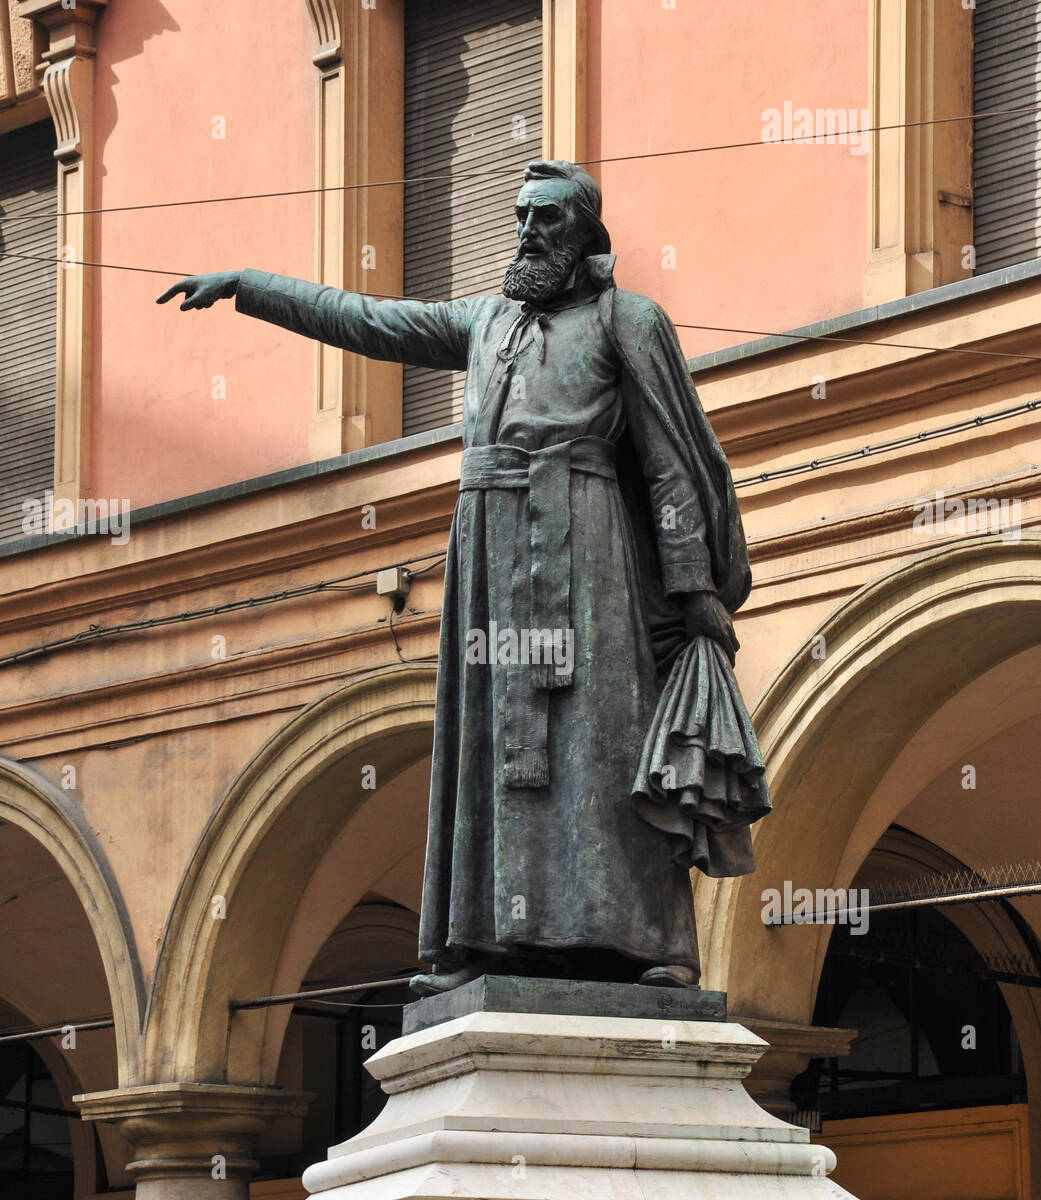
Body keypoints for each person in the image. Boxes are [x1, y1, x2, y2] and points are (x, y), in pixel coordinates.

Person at [158, 160, 768, 996]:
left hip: (585, 541)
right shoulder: (483, 323)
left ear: (587, 233)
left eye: (547, 218)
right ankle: (490, 938)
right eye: (520, 215)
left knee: (599, 740)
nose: (527, 231)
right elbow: (367, 319)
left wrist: (693, 591)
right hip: (486, 547)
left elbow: (670, 463)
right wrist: (250, 286)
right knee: (488, 743)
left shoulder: (629, 321)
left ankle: (646, 940)